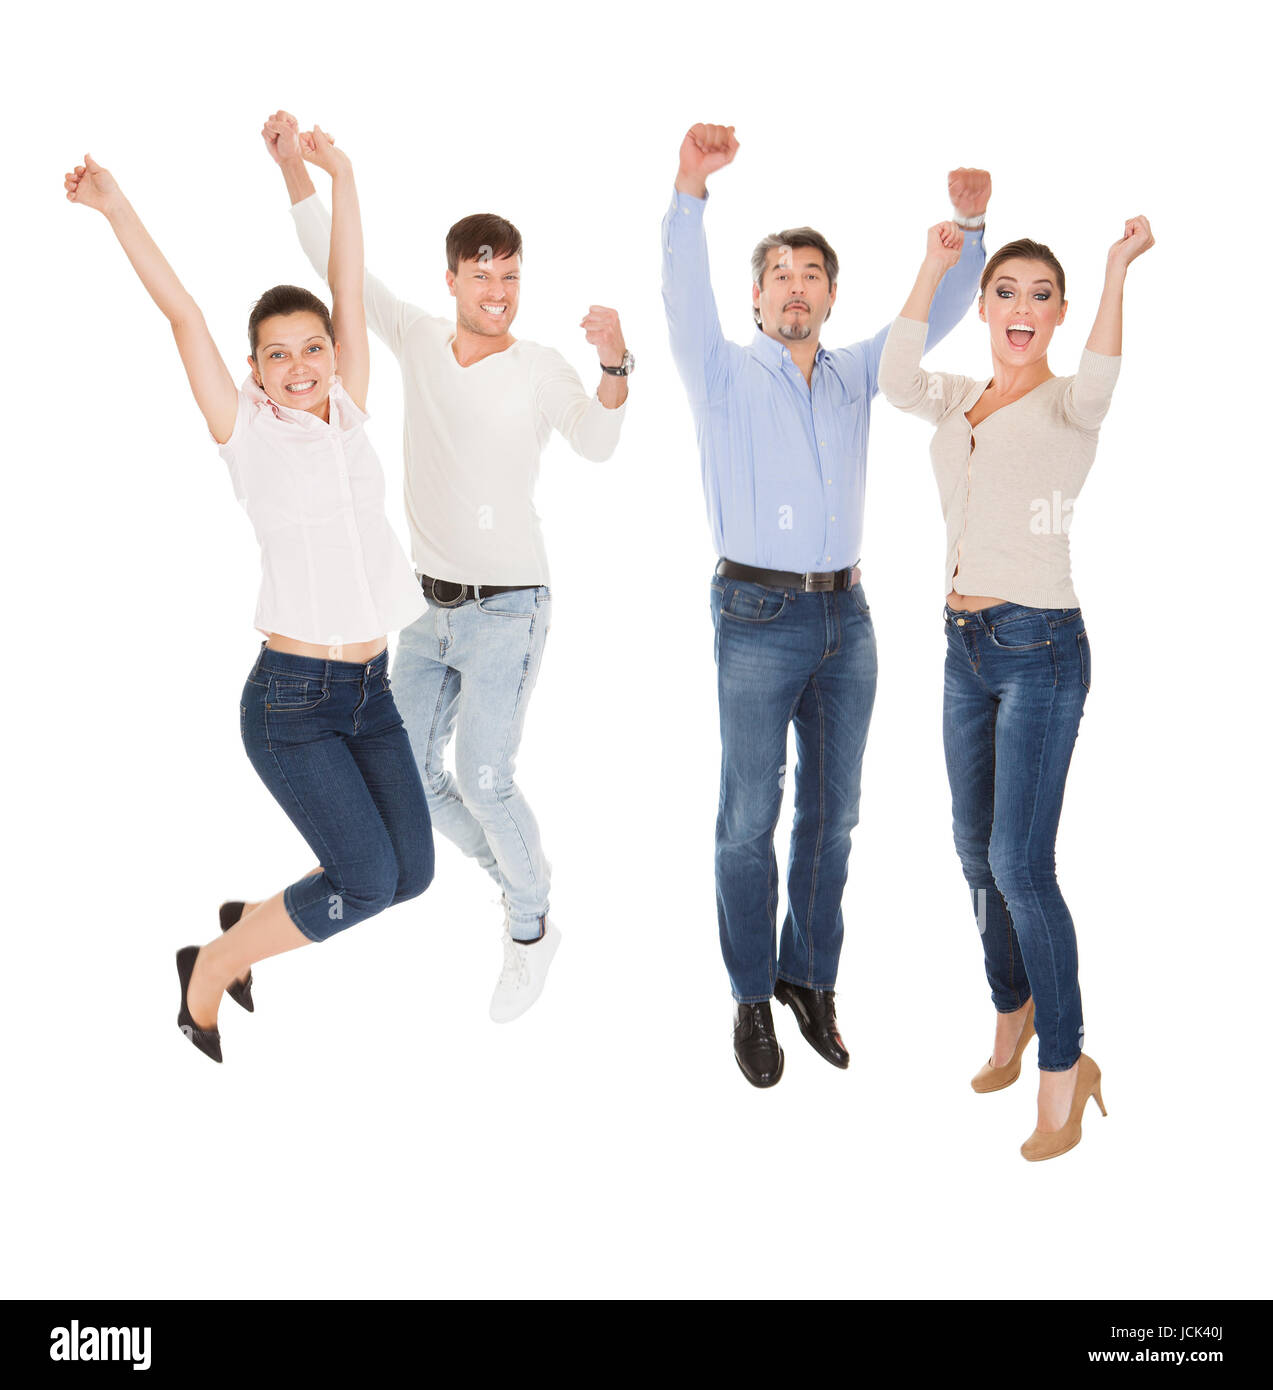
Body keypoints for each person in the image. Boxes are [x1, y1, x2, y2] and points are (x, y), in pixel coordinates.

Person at [64, 128, 435, 1064]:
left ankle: (248, 921)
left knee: (409, 876)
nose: (304, 364)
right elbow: (183, 315)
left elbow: (349, 288)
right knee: (361, 877)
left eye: (313, 347)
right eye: (279, 355)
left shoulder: (348, 408)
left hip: (370, 693)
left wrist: (330, 173)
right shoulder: (247, 435)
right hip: (291, 704)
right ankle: (211, 963)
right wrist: (115, 206)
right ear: (256, 369)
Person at [262, 111, 631, 1022]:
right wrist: (298, 171)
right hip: (427, 613)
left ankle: (531, 920)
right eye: (483, 275)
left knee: (489, 777)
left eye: (510, 276)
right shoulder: (420, 337)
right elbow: (334, 267)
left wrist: (616, 363)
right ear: (454, 278)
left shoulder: (541, 366)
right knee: (417, 781)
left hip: (511, 608)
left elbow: (597, 441)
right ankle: (520, 874)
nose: (498, 290)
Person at [662, 123, 991, 1086]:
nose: (797, 284)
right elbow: (680, 290)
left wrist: (968, 226)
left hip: (848, 619)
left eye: (813, 273)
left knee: (834, 814)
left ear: (831, 295)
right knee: (744, 817)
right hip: (756, 619)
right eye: (780, 273)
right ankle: (751, 995)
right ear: (757, 295)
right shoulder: (719, 371)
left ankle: (811, 977)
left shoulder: (854, 373)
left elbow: (932, 320)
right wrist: (690, 186)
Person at [878, 213, 1154, 1158]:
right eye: (1006, 294)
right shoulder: (958, 396)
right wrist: (933, 264)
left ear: (1060, 313)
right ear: (987, 311)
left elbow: (1106, 373)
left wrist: (1117, 268)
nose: (1022, 308)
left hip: (1039, 647)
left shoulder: (1070, 404)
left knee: (1020, 865)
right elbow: (893, 378)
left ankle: (1067, 1063)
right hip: (961, 645)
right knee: (970, 849)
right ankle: (1014, 1008)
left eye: (1041, 295)